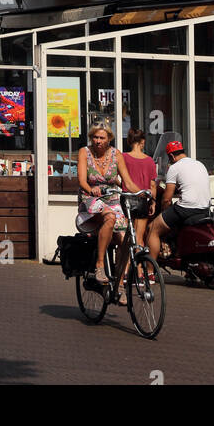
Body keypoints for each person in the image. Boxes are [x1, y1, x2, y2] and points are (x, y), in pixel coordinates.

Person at [76, 125, 140, 303]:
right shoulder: (84, 152)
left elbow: (127, 181)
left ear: (109, 139)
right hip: (90, 199)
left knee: (125, 238)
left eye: (102, 138)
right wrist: (91, 189)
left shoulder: (116, 154)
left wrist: (143, 194)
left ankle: (119, 284)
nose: (97, 141)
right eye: (95, 137)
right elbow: (81, 180)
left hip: (113, 199)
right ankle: (100, 265)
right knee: (110, 217)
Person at [147, 139, 212, 263]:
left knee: (152, 229)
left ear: (171, 156)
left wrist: (163, 213)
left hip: (186, 209)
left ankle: (150, 271)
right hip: (205, 208)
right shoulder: (199, 164)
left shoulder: (175, 167)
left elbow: (166, 199)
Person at [124, 127, 158, 248]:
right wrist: (153, 202)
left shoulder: (123, 158)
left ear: (129, 141)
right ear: (142, 142)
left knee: (126, 237)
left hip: (126, 199)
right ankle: (138, 266)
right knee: (138, 239)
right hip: (142, 200)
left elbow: (116, 178)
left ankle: (123, 266)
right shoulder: (149, 161)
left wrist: (122, 186)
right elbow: (153, 185)